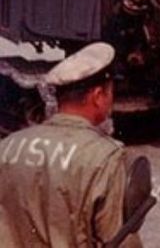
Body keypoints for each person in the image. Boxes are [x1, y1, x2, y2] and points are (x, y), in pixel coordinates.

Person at [0, 43, 145, 247]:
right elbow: (119, 241)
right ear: (97, 97)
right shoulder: (105, 158)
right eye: (110, 92)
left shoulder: (7, 146)